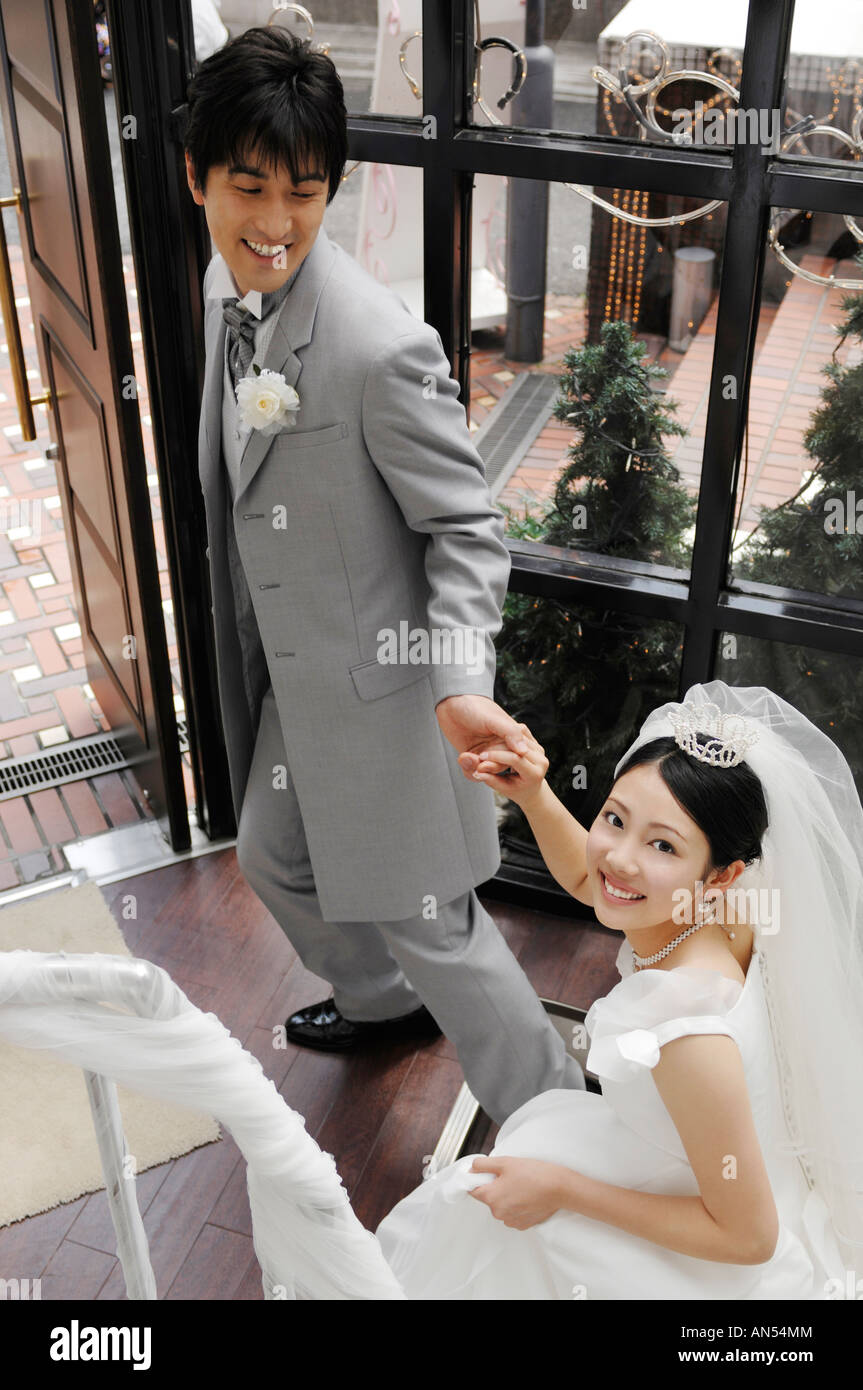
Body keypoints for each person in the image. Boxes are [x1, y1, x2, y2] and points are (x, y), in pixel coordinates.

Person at [184, 25, 584, 1125]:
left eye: (303, 193)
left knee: (433, 920)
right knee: (268, 853)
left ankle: (555, 1114)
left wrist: (457, 678)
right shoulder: (222, 292)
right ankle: (379, 1000)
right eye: (248, 186)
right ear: (197, 176)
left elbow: (464, 526)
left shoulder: (373, 345)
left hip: (388, 690)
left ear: (332, 190)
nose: (274, 224)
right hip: (293, 684)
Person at [376, 680, 863, 1299]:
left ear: (721, 874)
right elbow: (589, 874)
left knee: (476, 1213)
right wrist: (532, 792)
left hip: (713, 1242)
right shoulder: (729, 908)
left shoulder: (688, 1033)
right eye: (614, 818)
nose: (621, 859)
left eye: (663, 844)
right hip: (704, 1158)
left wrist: (559, 1189)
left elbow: (750, 1240)